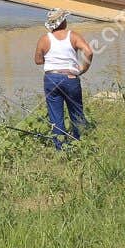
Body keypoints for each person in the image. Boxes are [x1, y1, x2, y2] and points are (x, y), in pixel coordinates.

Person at [33, 10, 91, 149]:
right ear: (64, 21)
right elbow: (88, 51)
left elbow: (38, 60)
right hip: (70, 77)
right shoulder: (73, 36)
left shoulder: (44, 39)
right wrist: (83, 68)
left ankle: (60, 149)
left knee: (55, 115)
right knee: (76, 112)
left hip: (51, 78)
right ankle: (80, 144)